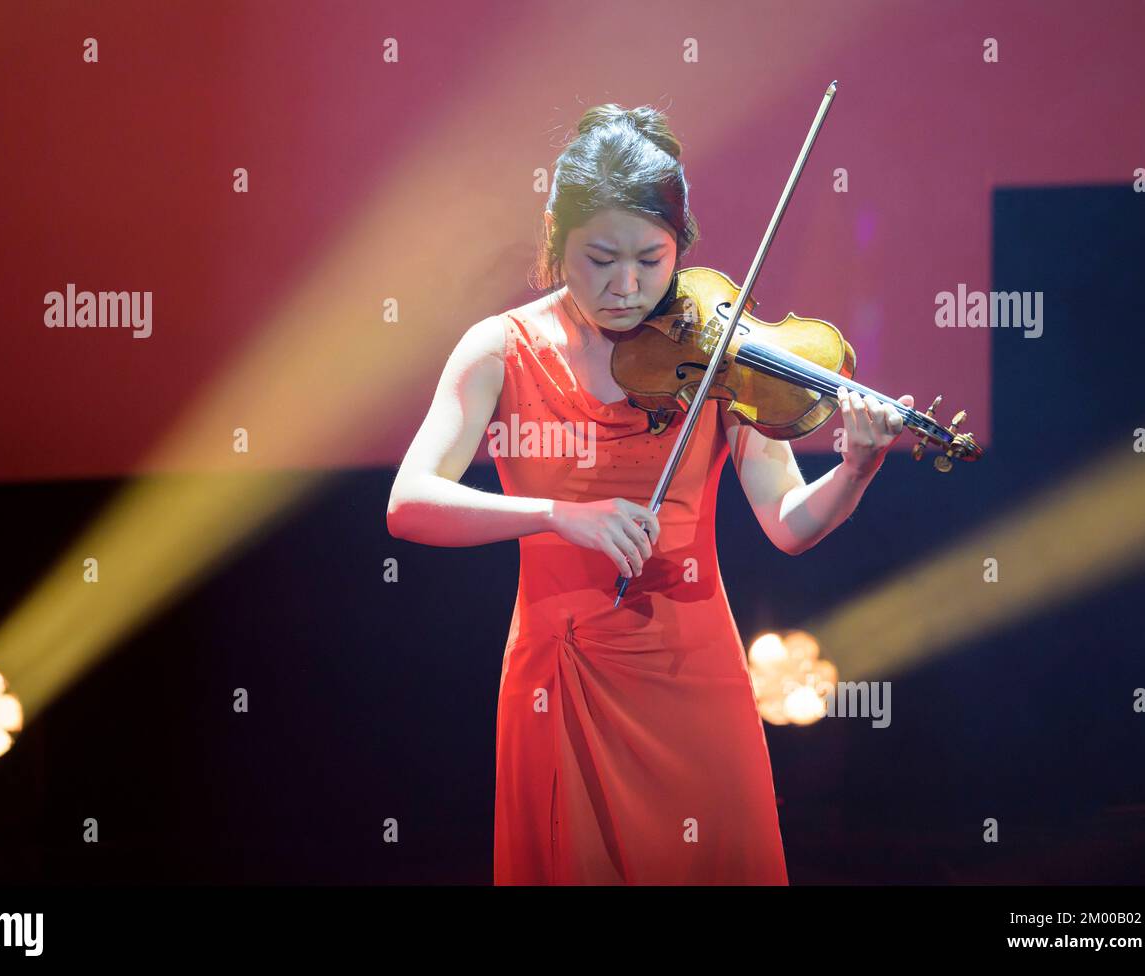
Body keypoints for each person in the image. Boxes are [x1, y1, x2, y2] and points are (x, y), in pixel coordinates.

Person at [386, 104, 913, 884]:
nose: (626, 287)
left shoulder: (719, 354)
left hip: (695, 672)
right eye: (599, 259)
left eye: (652, 260)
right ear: (556, 241)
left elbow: (789, 524)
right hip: (558, 679)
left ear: (681, 251)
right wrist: (559, 515)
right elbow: (410, 502)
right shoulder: (499, 351)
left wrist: (857, 470)